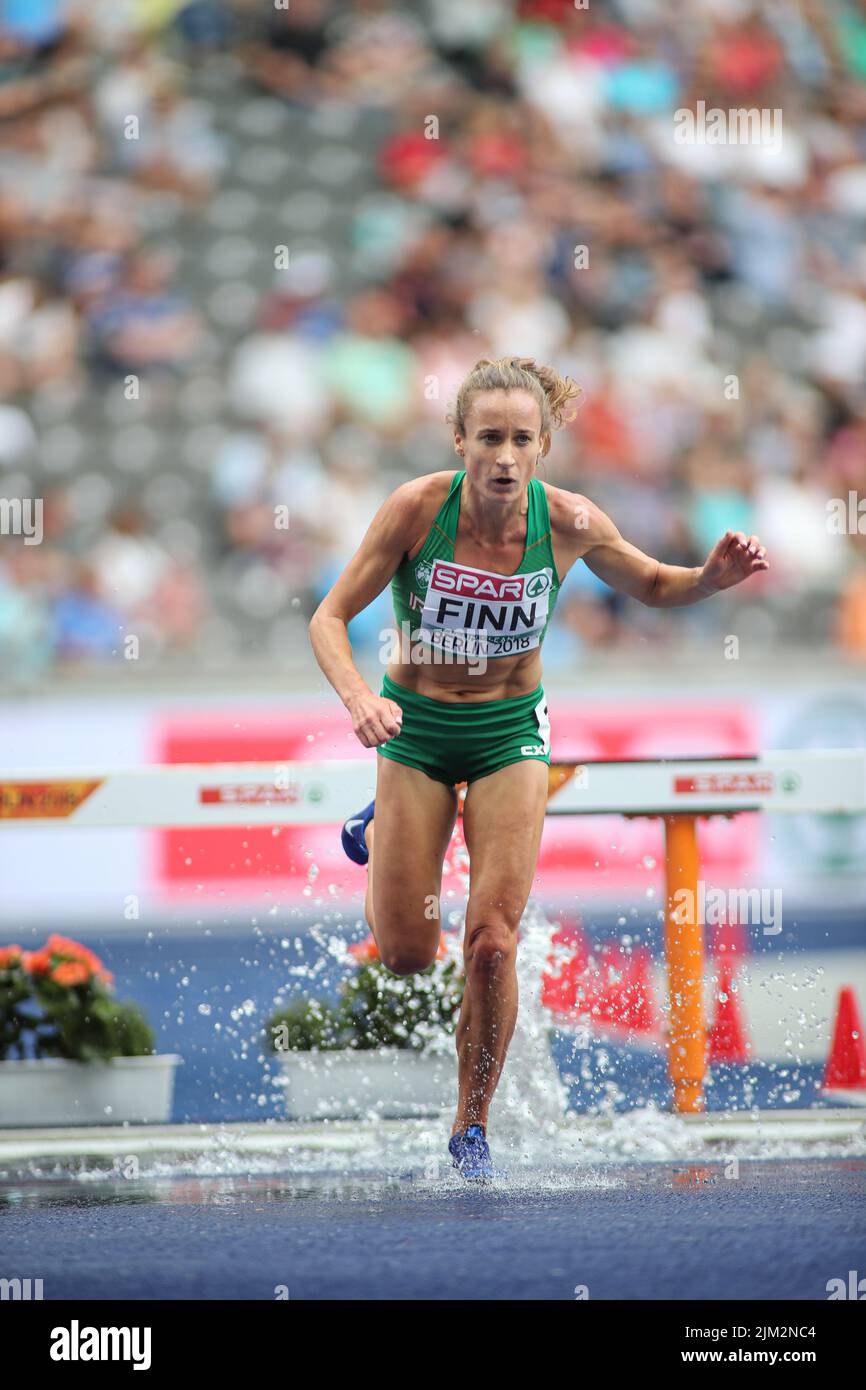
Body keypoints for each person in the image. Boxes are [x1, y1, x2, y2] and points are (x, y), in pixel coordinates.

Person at [308, 355, 769, 1181]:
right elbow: (330, 617)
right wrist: (358, 704)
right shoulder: (416, 510)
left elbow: (655, 584)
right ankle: (383, 822)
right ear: (459, 440)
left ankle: (470, 1126)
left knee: (491, 940)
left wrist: (710, 578)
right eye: (489, 437)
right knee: (409, 954)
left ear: (545, 444)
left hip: (509, 736)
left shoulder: (573, 521)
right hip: (413, 735)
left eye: (522, 439)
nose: (505, 456)